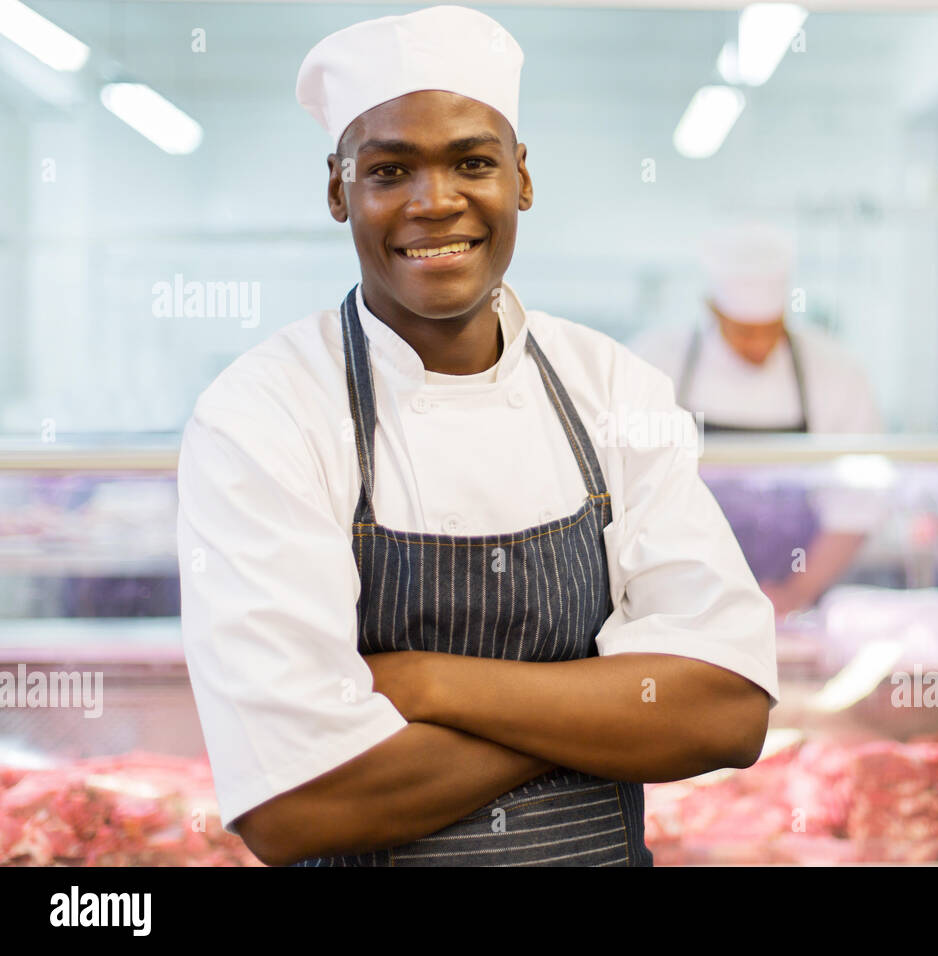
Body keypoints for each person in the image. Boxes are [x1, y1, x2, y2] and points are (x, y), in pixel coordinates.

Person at [175, 5, 776, 868]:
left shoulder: (613, 388)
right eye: (389, 170)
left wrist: (425, 684)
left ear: (521, 177)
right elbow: (295, 804)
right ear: (339, 189)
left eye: (472, 161)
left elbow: (728, 714)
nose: (436, 202)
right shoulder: (263, 416)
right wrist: (610, 712)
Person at [631, 224, 883, 619]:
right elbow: (626, 493)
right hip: (678, 604)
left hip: (793, 607)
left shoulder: (835, 372)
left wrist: (796, 593)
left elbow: (857, 504)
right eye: (744, 331)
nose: (760, 345)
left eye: (771, 329)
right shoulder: (657, 361)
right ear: (713, 310)